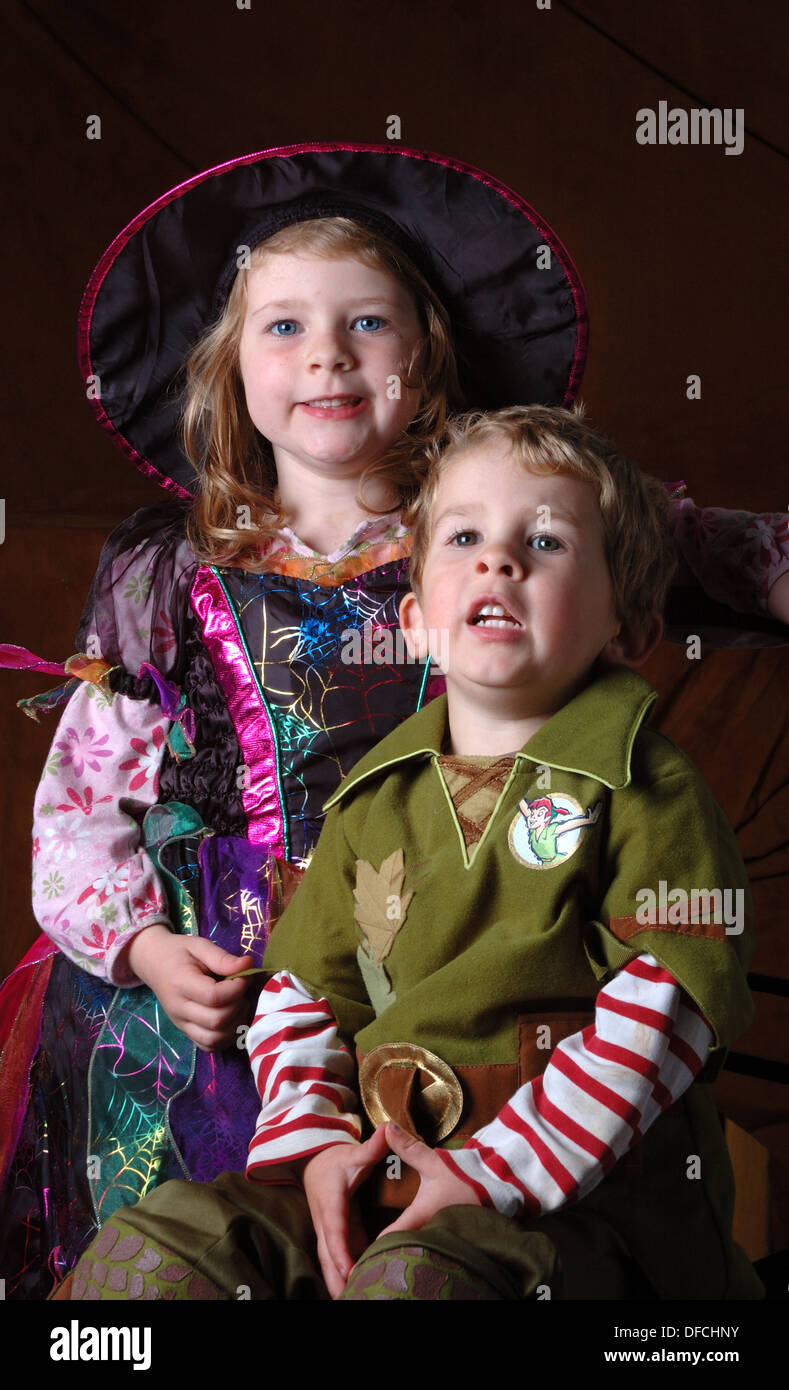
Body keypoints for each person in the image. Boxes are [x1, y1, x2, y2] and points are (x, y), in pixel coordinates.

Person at [2, 145, 786, 1300]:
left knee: (423, 1261)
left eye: (366, 321)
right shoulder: (166, 573)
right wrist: (140, 946)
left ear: (427, 357)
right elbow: (83, 796)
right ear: (227, 371)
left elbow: (690, 544)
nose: (325, 351)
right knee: (189, 1257)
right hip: (211, 993)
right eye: (282, 327)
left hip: (458, 949)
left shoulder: (499, 516)